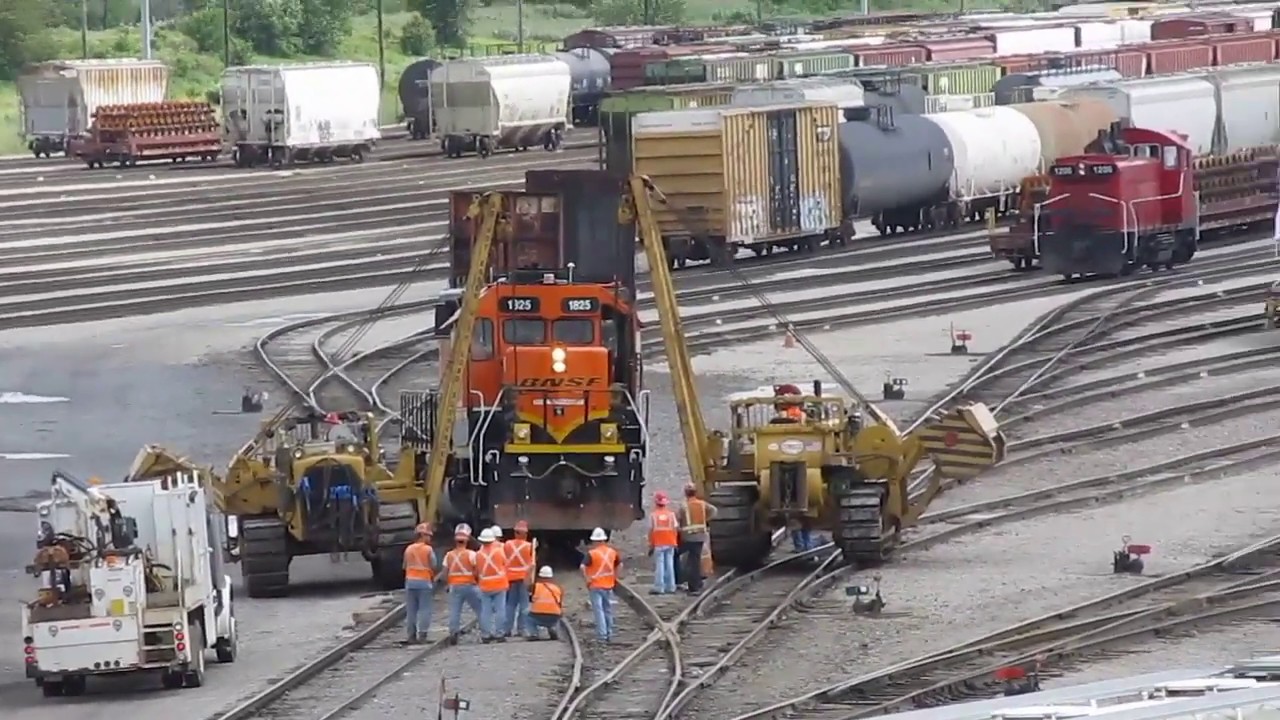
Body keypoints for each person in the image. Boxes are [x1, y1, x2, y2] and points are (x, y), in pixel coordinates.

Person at [443, 524, 481, 646]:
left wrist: (447, 584)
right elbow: (477, 570)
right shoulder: (471, 554)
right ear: (467, 540)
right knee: (480, 609)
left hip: (455, 586)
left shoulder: (449, 555)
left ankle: (453, 633)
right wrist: (477, 581)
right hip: (469, 585)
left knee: (455, 611)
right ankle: (486, 631)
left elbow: (445, 572)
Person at [581, 527, 620, 642]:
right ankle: (609, 633)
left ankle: (602, 635)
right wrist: (615, 577)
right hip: (608, 585)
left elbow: (582, 567)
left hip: (595, 586)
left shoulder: (592, 553)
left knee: (599, 611)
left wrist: (587, 579)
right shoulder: (612, 552)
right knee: (607, 609)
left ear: (595, 541)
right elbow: (620, 564)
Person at [676, 485, 716, 594]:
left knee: (681, 556)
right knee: (695, 560)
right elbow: (714, 510)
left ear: (686, 493)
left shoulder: (684, 506)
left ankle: (686, 582)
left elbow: (677, 519)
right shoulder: (702, 504)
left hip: (687, 536)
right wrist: (705, 520)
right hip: (700, 536)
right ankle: (696, 584)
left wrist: (680, 528)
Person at [402, 523, 436, 643]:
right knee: (424, 609)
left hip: (410, 582)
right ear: (422, 535)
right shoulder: (428, 549)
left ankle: (411, 635)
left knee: (411, 610)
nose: (430, 538)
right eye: (428, 536)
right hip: (424, 582)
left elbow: (404, 566)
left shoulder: (408, 549)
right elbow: (433, 564)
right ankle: (422, 635)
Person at [475, 527, 509, 643]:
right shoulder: (499, 552)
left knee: (485, 611)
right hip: (500, 584)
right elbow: (505, 563)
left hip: (485, 585)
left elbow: (477, 570)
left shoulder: (478, 554)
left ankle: (486, 635)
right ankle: (500, 633)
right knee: (500, 610)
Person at [503, 520, 535, 638]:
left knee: (510, 605)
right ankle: (522, 628)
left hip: (510, 578)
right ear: (525, 534)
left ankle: (507, 629)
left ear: (515, 533)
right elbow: (532, 564)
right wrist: (531, 581)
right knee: (524, 605)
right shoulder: (529, 546)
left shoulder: (507, 544)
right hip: (523, 579)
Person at [648, 492, 679, 595]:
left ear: (656, 503)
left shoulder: (653, 515)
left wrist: (651, 544)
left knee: (660, 565)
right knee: (670, 564)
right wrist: (675, 542)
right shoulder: (671, 515)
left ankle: (659, 587)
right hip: (670, 542)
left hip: (659, 543)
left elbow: (651, 531)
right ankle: (671, 586)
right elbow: (675, 529)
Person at [525, 566, 563, 641]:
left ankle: (534, 634)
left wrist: (528, 573)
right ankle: (553, 629)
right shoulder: (558, 588)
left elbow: (526, 585)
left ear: (540, 576)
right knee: (556, 616)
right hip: (554, 617)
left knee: (525, 612)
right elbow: (560, 603)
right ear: (551, 577)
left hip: (537, 616)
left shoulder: (535, 586)